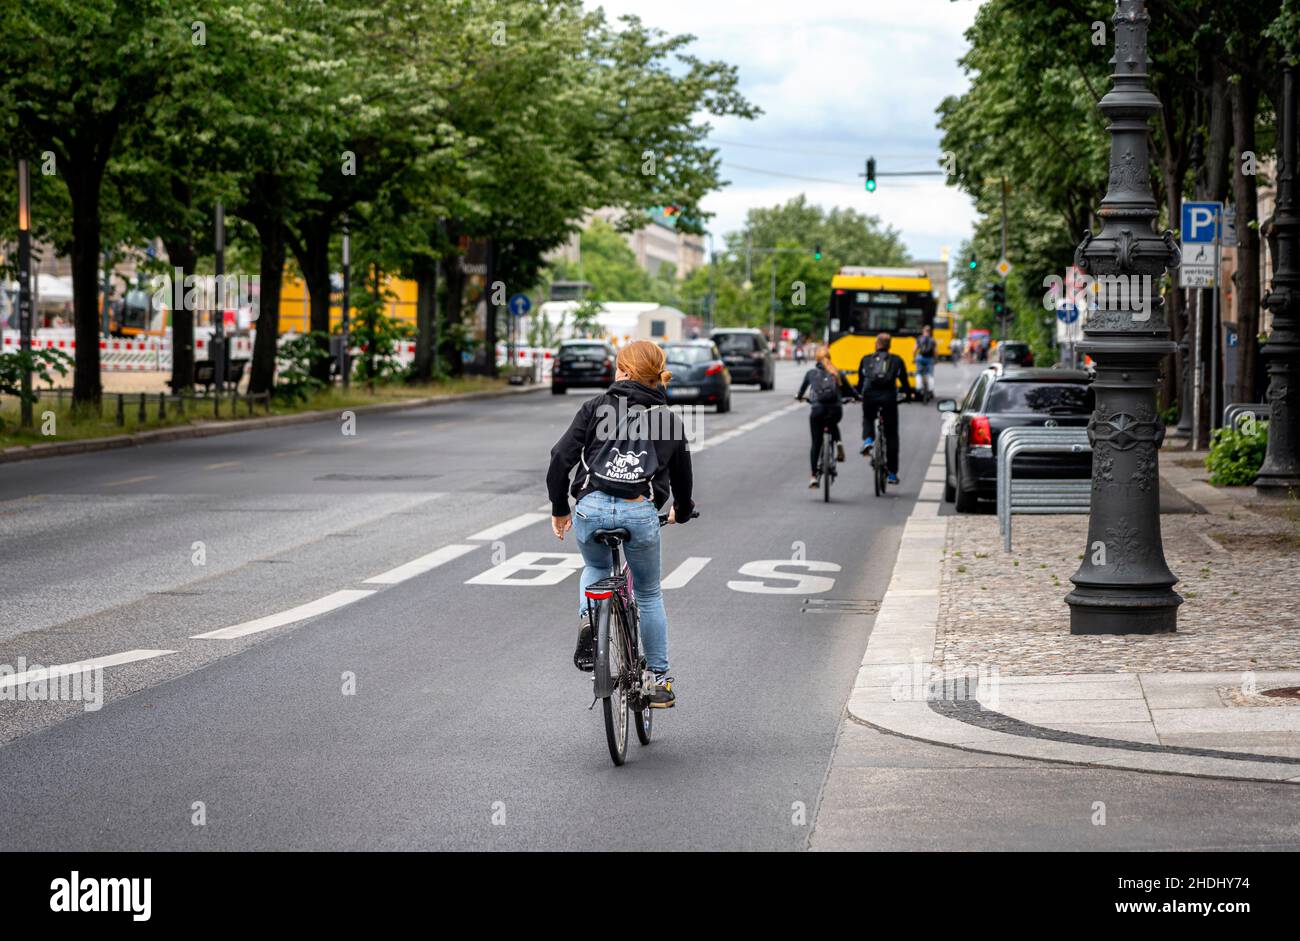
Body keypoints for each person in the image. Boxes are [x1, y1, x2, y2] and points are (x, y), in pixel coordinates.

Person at [546, 339, 694, 708]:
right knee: (647, 593)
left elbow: (560, 457)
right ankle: (659, 680)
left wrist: (559, 507)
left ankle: (589, 620)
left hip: (590, 507)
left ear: (625, 371)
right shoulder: (667, 420)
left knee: (595, 567)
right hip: (639, 510)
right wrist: (684, 510)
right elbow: (683, 480)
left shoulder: (595, 407)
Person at [796, 345, 857, 488]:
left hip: (817, 410)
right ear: (830, 358)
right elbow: (850, 391)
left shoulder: (811, 373)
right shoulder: (837, 373)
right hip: (835, 410)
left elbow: (801, 392)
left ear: (816, 359)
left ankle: (813, 476)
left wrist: (799, 397)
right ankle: (838, 441)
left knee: (816, 443)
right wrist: (857, 397)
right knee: (832, 422)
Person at [857, 332, 912, 485]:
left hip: (870, 396)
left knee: (868, 417)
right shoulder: (896, 360)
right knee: (891, 435)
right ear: (890, 345)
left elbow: (861, 381)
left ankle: (868, 439)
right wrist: (907, 395)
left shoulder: (866, 359)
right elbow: (904, 381)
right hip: (889, 399)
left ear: (876, 344)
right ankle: (892, 474)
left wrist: (859, 395)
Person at [914, 325, 937, 401]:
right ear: (930, 331)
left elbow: (914, 350)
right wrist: (936, 359)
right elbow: (935, 352)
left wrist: (914, 358)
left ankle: (918, 387)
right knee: (930, 374)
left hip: (920, 358)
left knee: (918, 373)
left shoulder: (919, 338)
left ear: (923, 331)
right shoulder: (932, 340)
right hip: (929, 359)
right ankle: (930, 389)